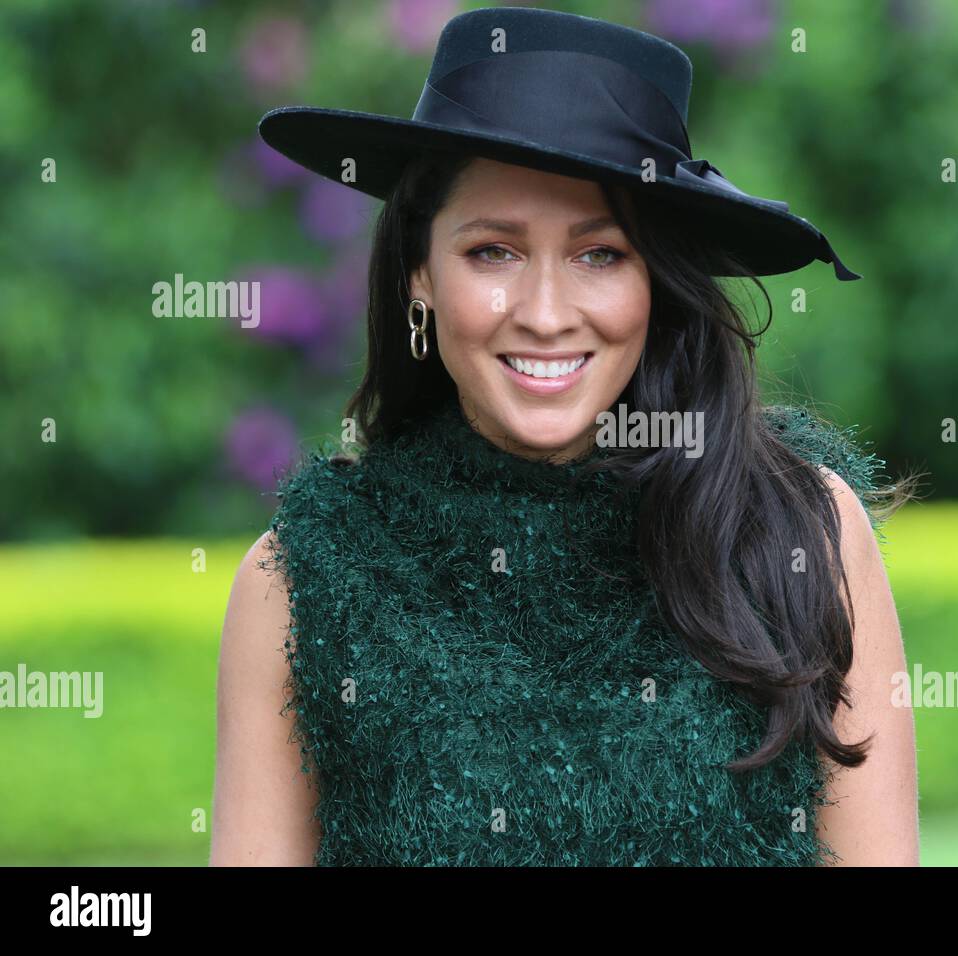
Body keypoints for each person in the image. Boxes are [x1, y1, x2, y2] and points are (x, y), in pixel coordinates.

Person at [211, 5, 918, 866]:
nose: (545, 315)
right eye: (493, 252)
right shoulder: (301, 576)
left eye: (600, 254)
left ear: (658, 279)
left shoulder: (801, 531)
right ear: (418, 274)